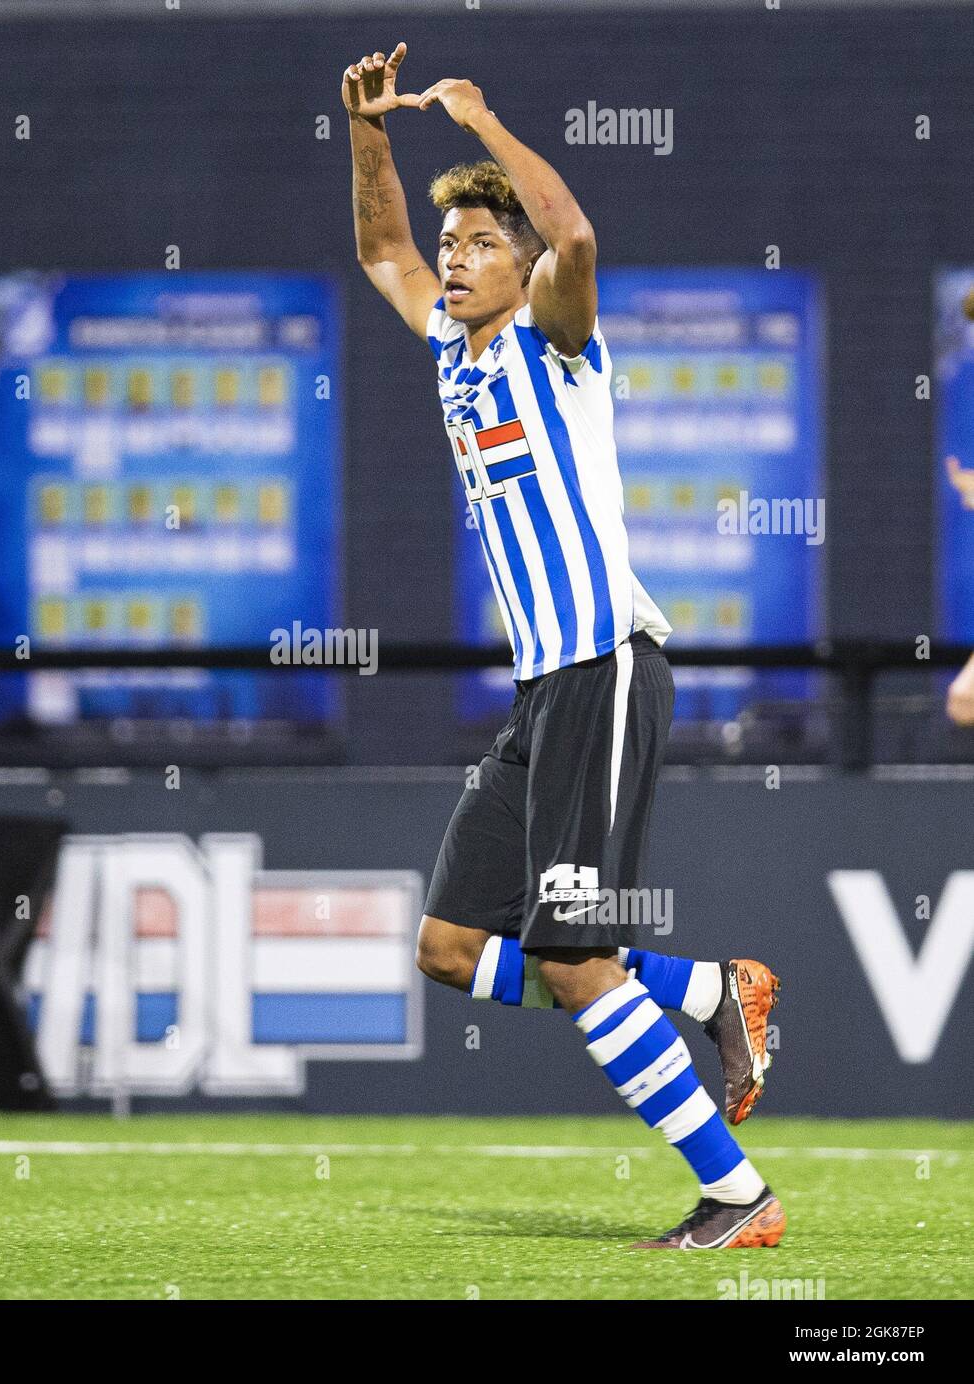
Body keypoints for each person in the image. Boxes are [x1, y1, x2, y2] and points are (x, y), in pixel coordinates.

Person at [343, 43, 785, 1248]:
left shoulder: (558, 343)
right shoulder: (449, 345)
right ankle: (704, 990)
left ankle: (737, 1196)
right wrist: (368, 134)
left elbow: (576, 239)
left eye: (483, 242)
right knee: (445, 947)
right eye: (458, 244)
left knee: (580, 960)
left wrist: (489, 123)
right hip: (541, 696)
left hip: (604, 667)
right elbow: (382, 248)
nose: (455, 257)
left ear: (524, 269)